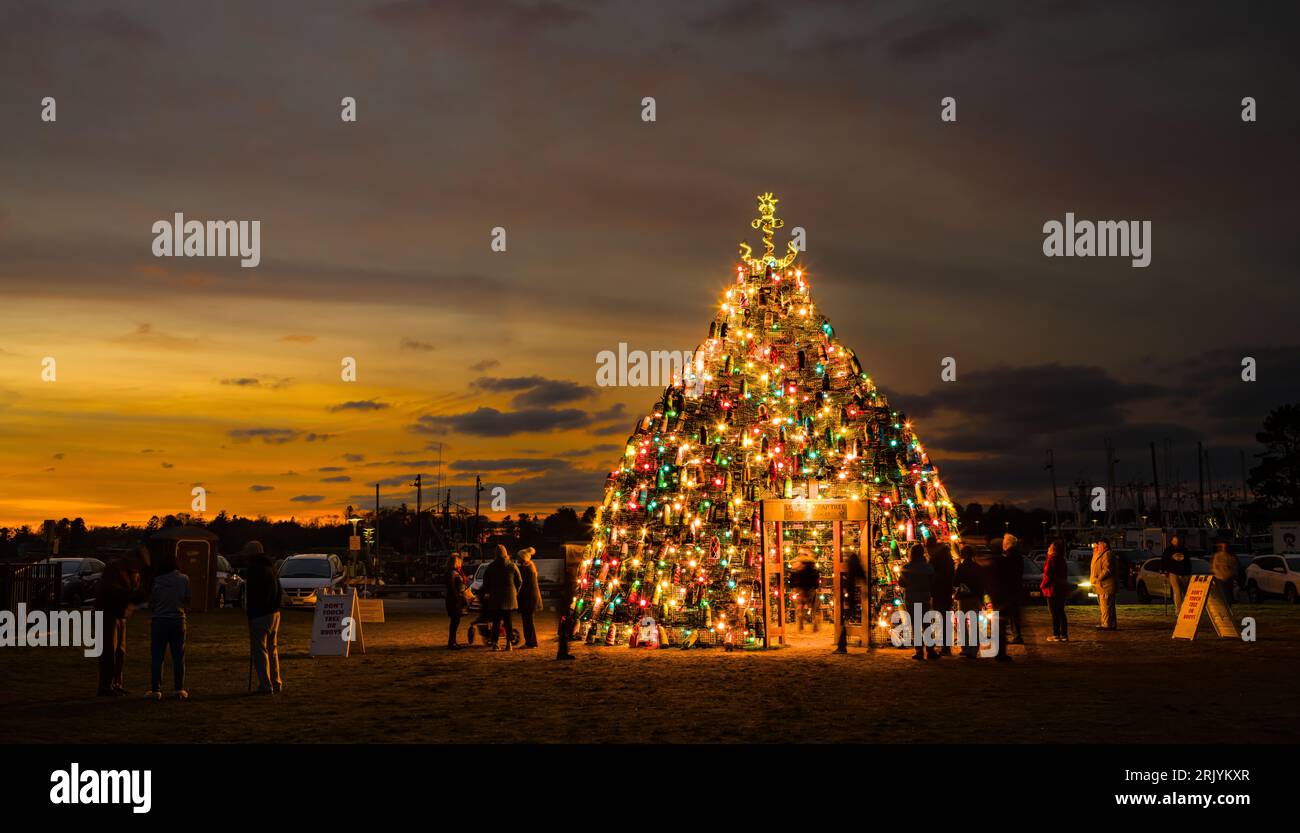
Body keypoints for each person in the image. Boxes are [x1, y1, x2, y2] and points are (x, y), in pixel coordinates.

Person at [96, 547, 144, 696]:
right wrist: (132, 595)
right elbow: (110, 590)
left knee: (119, 651)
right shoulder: (114, 568)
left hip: (119, 613)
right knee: (110, 650)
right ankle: (106, 685)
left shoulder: (130, 571)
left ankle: (116, 683)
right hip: (108, 611)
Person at [146, 550, 190, 700]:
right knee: (178, 656)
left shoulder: (157, 581)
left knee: (158, 656)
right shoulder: (184, 579)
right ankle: (179, 688)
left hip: (160, 620)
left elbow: (152, 602)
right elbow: (187, 599)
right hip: (178, 620)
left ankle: (155, 689)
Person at [243, 541, 282, 693]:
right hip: (274, 613)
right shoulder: (270, 567)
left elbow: (253, 594)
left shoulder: (254, 569)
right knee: (272, 649)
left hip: (260, 614)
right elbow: (278, 589)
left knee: (259, 651)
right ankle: (276, 682)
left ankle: (265, 685)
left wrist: (251, 613)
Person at [899, 543, 938, 660]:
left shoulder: (906, 568)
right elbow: (933, 583)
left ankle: (919, 651)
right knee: (926, 624)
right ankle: (930, 650)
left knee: (916, 625)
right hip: (924, 597)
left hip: (911, 598)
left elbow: (902, 583)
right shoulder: (928, 568)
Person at [482, 545, 521, 651]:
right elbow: (519, 581)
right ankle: (509, 643)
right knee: (508, 621)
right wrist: (515, 592)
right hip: (509, 598)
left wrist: (488, 592)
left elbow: (485, 582)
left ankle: (495, 643)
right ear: (505, 553)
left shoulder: (491, 567)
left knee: (496, 622)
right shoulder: (511, 565)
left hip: (495, 598)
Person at [954, 545, 985, 658]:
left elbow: (956, 582)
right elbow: (982, 584)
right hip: (975, 598)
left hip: (964, 598)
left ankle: (966, 648)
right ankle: (974, 649)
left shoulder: (961, 567)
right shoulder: (977, 567)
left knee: (962, 623)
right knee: (974, 624)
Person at [926, 540, 955, 655]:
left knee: (941, 619)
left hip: (939, 592)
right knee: (945, 619)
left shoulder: (936, 559)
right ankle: (946, 646)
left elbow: (932, 575)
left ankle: (945, 647)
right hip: (946, 591)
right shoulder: (947, 557)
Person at [1040, 539, 1070, 642]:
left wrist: (1043, 585)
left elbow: (1048, 575)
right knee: (1061, 611)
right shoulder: (1062, 559)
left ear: (1053, 549)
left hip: (1052, 589)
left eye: (1050, 547)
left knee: (1054, 613)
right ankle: (1064, 634)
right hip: (1061, 589)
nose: (1048, 548)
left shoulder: (1051, 559)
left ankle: (1056, 634)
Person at [1000, 534, 1025, 644]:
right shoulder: (1017, 554)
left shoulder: (1009, 555)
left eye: (1004, 542)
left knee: (1011, 613)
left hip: (1010, 588)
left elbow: (1006, 573)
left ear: (1007, 543)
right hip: (1016, 587)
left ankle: (1016, 635)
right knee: (1014, 613)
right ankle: (1016, 635)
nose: (1002, 545)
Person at [516, 547, 543, 648]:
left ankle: (530, 643)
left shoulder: (525, 569)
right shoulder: (531, 568)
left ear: (523, 558)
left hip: (528, 600)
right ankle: (532, 642)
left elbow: (520, 584)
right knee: (529, 621)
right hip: (531, 600)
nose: (517, 559)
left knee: (527, 621)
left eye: (519, 557)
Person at [790, 550, 821, 633]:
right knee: (815, 607)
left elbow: (793, 578)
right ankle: (815, 626)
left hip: (800, 589)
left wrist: (793, 587)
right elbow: (816, 578)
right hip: (811, 589)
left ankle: (800, 627)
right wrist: (816, 586)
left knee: (800, 607)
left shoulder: (797, 567)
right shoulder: (813, 567)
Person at [1090, 540, 1118, 630]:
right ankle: (1108, 623)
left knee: (1106, 606)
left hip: (1106, 585)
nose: (1098, 546)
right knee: (1105, 606)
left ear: (1105, 546)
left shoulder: (1107, 554)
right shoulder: (1101, 554)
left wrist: (1098, 578)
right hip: (1102, 586)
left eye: (1099, 545)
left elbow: (1107, 569)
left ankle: (1107, 624)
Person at [445, 552, 468, 650]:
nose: (461, 563)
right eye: (460, 561)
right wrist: (458, 598)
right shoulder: (452, 573)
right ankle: (451, 643)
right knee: (454, 621)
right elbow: (452, 587)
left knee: (456, 621)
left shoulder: (455, 572)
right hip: (454, 600)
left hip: (456, 599)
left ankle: (453, 641)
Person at [1162, 533, 1191, 611]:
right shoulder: (1168, 550)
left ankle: (1185, 608)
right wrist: (1165, 571)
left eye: (1177, 541)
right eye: (1174, 541)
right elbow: (1164, 561)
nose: (1176, 542)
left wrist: (1188, 572)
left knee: (1185, 592)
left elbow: (1188, 562)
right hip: (1173, 573)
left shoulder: (1184, 550)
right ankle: (1178, 610)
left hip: (1184, 573)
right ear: (1171, 541)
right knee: (1177, 591)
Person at [1210, 541, 1236, 614]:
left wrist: (1231, 575)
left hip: (1229, 578)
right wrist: (1218, 574)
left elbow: (1234, 567)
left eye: (1226, 546)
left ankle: (1229, 609)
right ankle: (1222, 610)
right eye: (1223, 546)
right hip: (1220, 578)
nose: (1224, 548)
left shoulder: (1231, 557)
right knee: (1222, 595)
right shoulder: (1217, 556)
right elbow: (1214, 567)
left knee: (1228, 595)